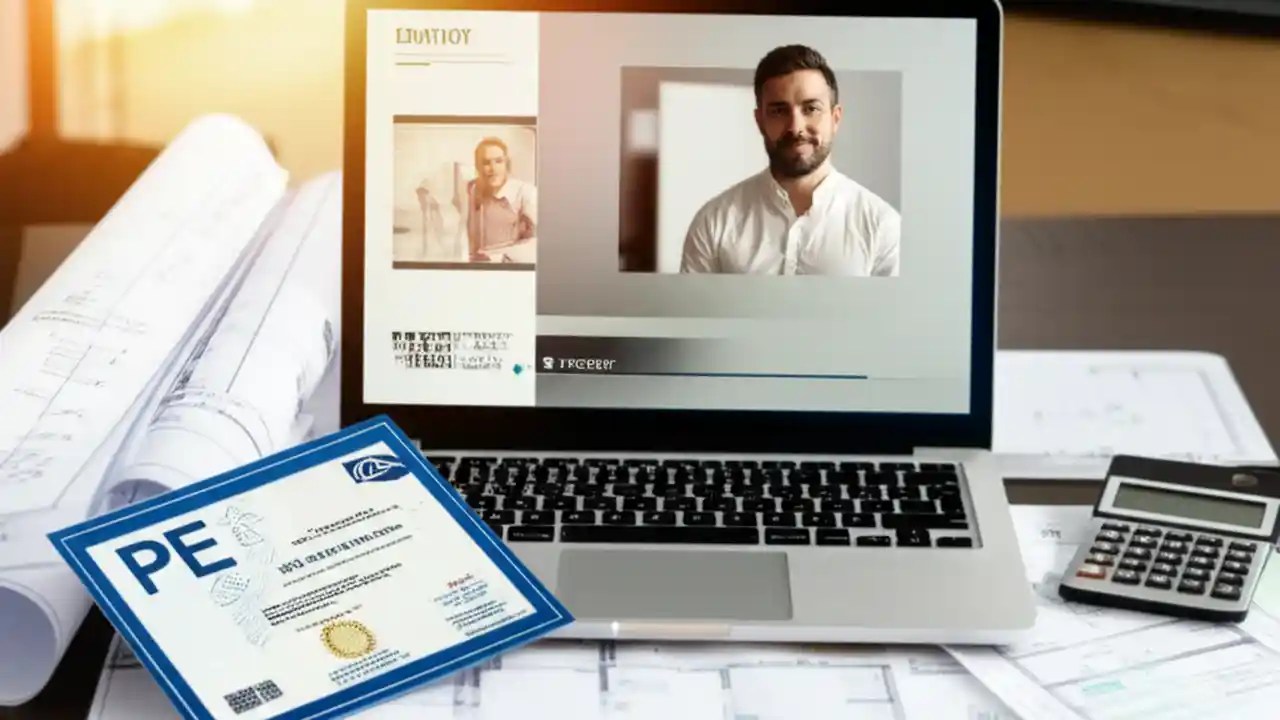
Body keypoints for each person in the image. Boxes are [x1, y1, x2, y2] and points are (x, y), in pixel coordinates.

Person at [679, 45, 901, 276]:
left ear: (835, 118)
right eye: (778, 111)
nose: (795, 128)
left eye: (811, 108)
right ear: (759, 121)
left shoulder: (882, 226)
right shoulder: (714, 221)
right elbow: (689, 311)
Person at [455, 136, 537, 264]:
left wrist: (501, 257)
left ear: (507, 164)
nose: (493, 169)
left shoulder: (525, 192)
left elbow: (540, 243)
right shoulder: (471, 189)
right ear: (477, 166)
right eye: (486, 163)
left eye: (498, 161)